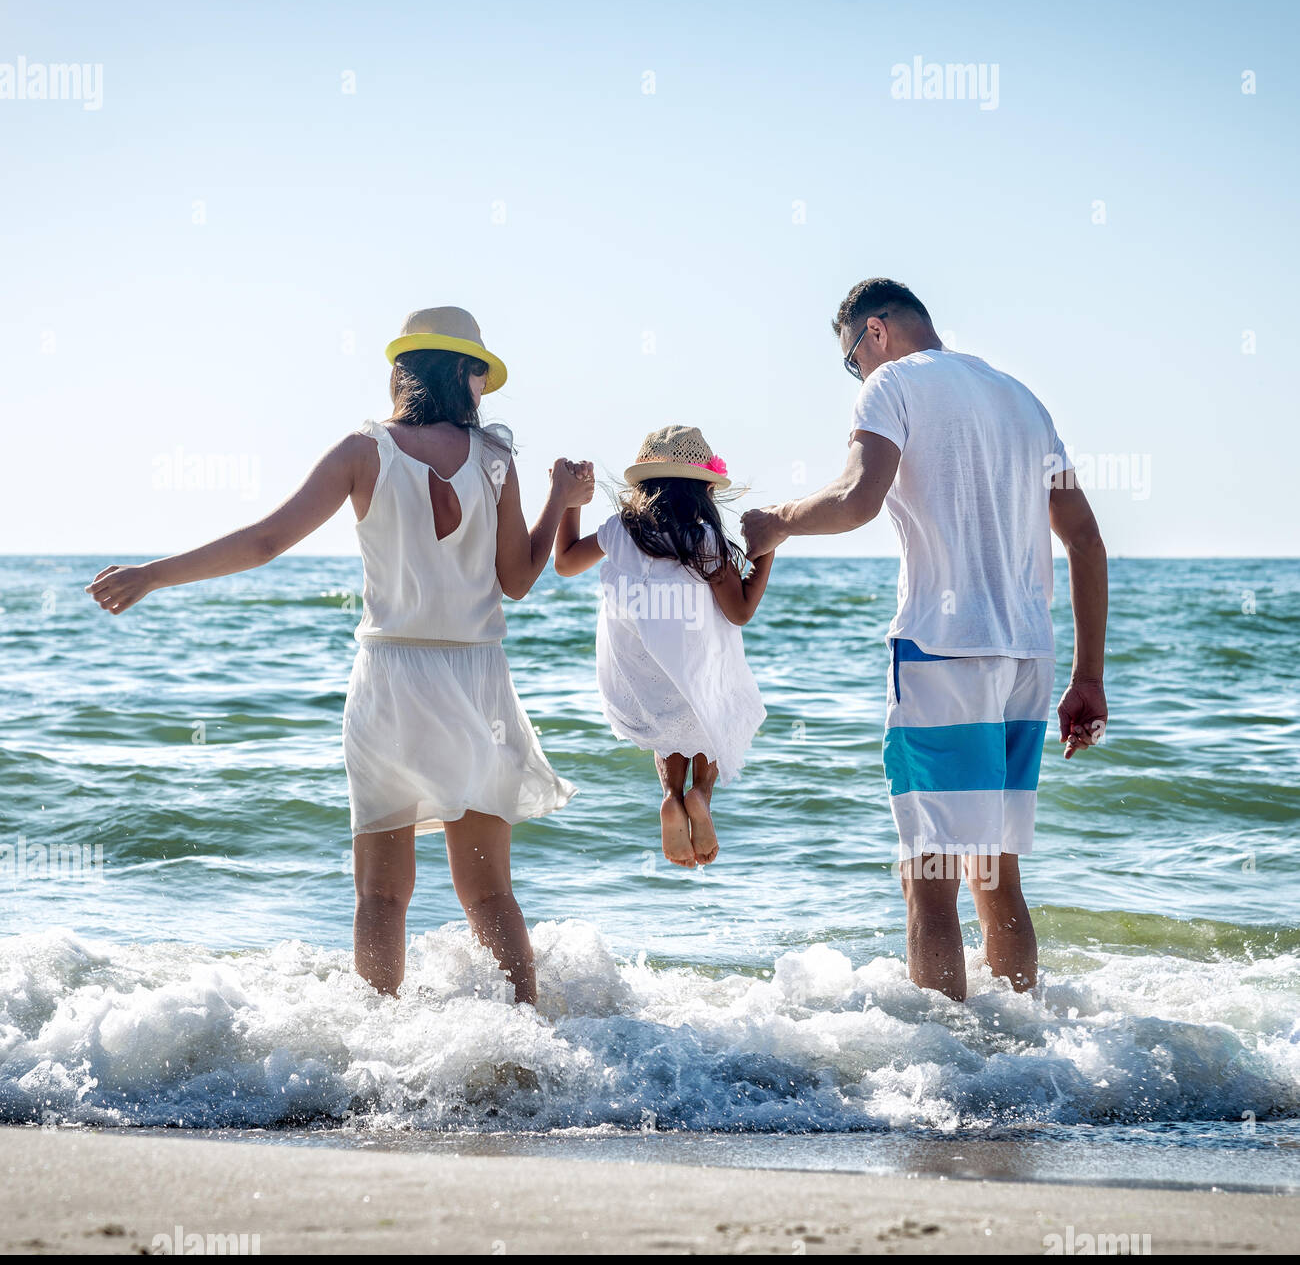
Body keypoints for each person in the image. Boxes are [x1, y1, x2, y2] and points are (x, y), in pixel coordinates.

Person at [86, 306, 594, 1003]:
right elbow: (518, 580)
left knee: (382, 895)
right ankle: (526, 1049)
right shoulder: (496, 459)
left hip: (388, 681)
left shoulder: (363, 451)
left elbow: (266, 541)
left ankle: (373, 1052)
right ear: (465, 374)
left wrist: (152, 574)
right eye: (480, 375)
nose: (483, 389)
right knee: (488, 892)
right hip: (477, 680)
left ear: (402, 371)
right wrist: (561, 500)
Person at [742, 279, 1108, 1000]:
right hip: (1027, 659)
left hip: (943, 650)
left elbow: (856, 501)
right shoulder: (1022, 399)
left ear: (875, 331)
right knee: (995, 874)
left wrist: (778, 521)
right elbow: (1087, 540)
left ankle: (947, 1085)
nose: (857, 374)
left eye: (852, 359)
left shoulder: (892, 387)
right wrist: (1088, 677)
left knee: (930, 878)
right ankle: (1023, 1063)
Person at [553, 425, 772, 867]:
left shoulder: (619, 531)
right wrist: (766, 553)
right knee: (707, 725)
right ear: (703, 491)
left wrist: (571, 504)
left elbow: (565, 562)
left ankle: (671, 794)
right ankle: (700, 794)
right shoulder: (705, 541)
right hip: (696, 674)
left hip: (639, 679)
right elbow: (740, 611)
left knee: (667, 733)